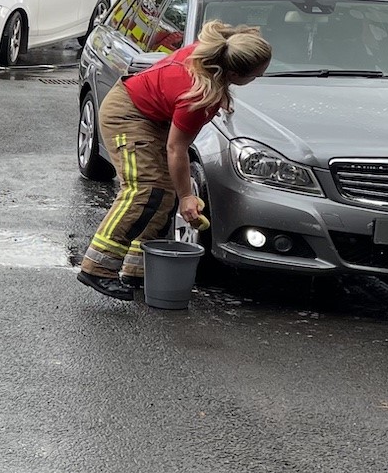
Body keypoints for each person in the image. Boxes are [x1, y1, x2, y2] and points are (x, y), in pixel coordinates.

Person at [77, 21, 273, 299]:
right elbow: (177, 149)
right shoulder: (200, 96)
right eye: (256, 75)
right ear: (232, 72)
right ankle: (97, 267)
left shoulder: (212, 54)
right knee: (144, 189)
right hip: (126, 115)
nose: (258, 79)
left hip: (150, 116)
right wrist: (187, 197)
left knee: (162, 195)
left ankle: (137, 270)